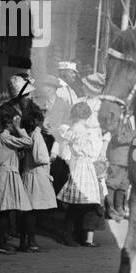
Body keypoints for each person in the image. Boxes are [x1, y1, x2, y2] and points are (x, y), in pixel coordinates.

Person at [57, 101, 109, 247]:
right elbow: (87, 150)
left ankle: (74, 234)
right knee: (79, 203)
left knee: (78, 203)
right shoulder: (80, 130)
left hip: (79, 164)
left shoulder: (73, 128)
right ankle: (70, 235)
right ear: (86, 116)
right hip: (82, 165)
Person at [0, 104, 33, 254]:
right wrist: (19, 129)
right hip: (6, 176)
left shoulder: (2, 137)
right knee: (4, 211)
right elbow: (28, 141)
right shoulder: (5, 137)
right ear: (10, 122)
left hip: (5, 175)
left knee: (4, 211)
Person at [16, 102, 57, 252]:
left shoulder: (28, 135)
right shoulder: (37, 135)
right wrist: (50, 158)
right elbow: (40, 158)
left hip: (28, 174)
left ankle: (23, 241)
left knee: (26, 212)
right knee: (31, 212)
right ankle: (31, 242)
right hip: (36, 176)